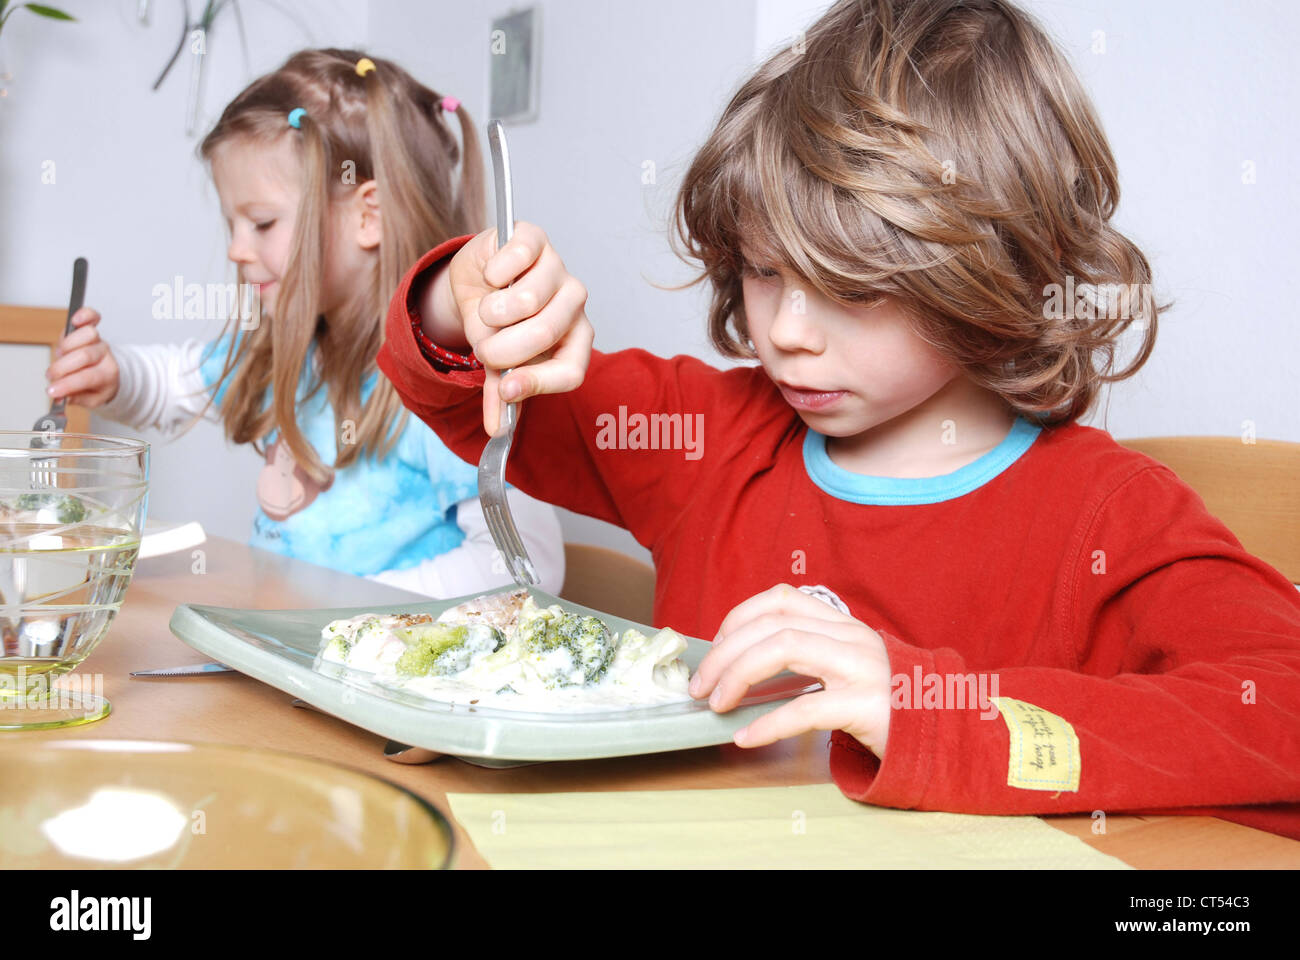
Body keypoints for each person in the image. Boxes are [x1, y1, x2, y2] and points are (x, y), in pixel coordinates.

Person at [375, 1, 1300, 838]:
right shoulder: (706, 436)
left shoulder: (1105, 514)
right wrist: (469, 307)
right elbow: (463, 389)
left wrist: (930, 709)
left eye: (851, 286)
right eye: (764, 269)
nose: (785, 332)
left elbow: (1282, 712)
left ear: (1007, 271)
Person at [41, 48, 563, 598]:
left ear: (369, 216)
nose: (237, 249)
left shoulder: (449, 390)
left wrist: (341, 615)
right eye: (231, 224)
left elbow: (526, 565)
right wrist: (111, 374)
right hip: (287, 659)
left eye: (261, 222)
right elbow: (173, 383)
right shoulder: (291, 349)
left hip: (375, 669)